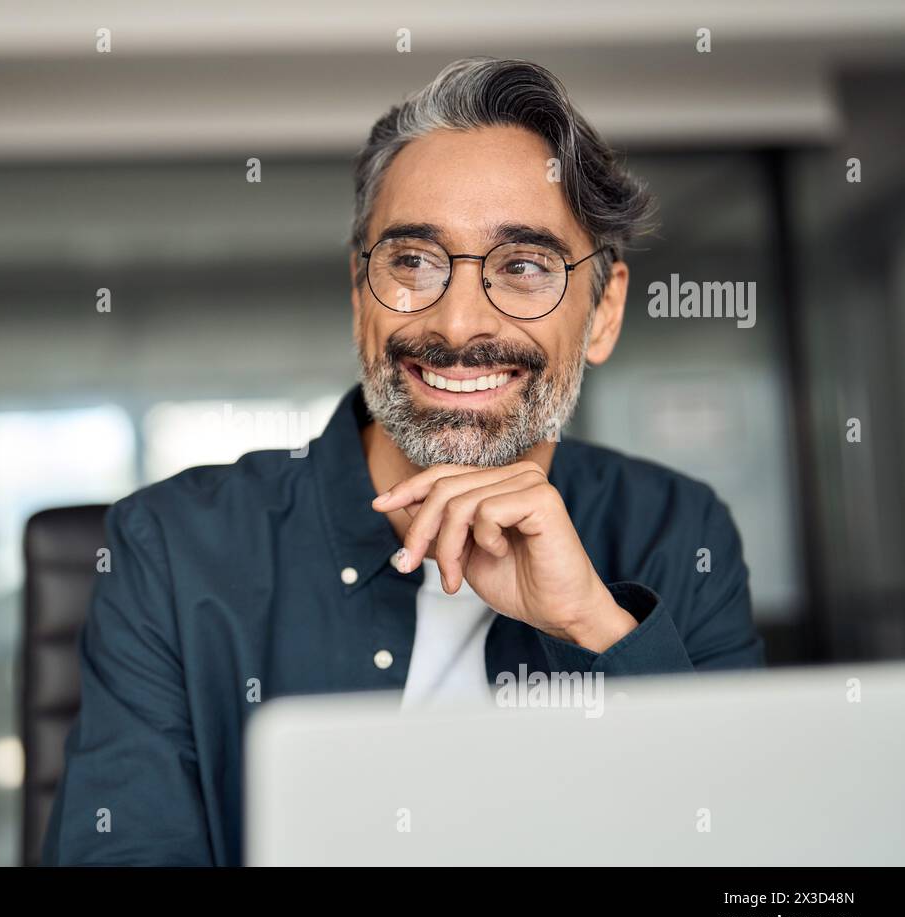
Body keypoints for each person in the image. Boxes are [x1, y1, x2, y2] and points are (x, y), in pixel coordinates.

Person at [41, 56, 764, 866]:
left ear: (603, 312)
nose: (458, 325)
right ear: (361, 299)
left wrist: (596, 629)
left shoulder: (681, 531)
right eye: (413, 262)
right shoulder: (172, 548)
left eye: (523, 267)